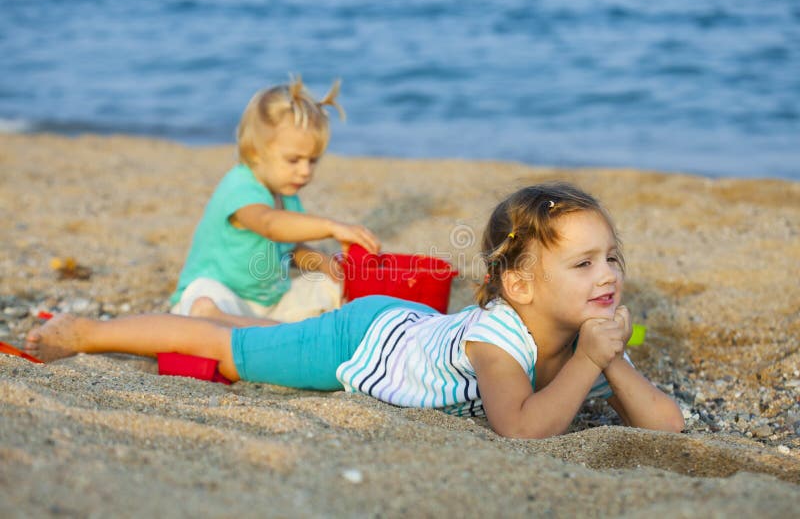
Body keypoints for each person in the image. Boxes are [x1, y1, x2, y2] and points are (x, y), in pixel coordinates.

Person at [25, 182, 685, 439]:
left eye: (612, 258)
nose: (608, 276)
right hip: (362, 340)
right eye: (583, 264)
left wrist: (613, 356)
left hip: (400, 323)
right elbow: (519, 429)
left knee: (261, 333)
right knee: (236, 351)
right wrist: (591, 361)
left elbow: (668, 426)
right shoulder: (495, 337)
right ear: (518, 284)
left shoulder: (583, 333)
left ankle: (207, 318)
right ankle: (89, 333)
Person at [170, 76, 380, 324]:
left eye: (312, 160)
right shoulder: (240, 187)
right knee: (202, 296)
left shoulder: (285, 196)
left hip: (268, 304)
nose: (305, 171)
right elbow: (270, 225)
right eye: (294, 160)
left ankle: (255, 331)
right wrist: (332, 227)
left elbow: (289, 251)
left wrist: (326, 265)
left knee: (334, 287)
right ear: (256, 153)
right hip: (224, 297)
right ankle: (223, 323)